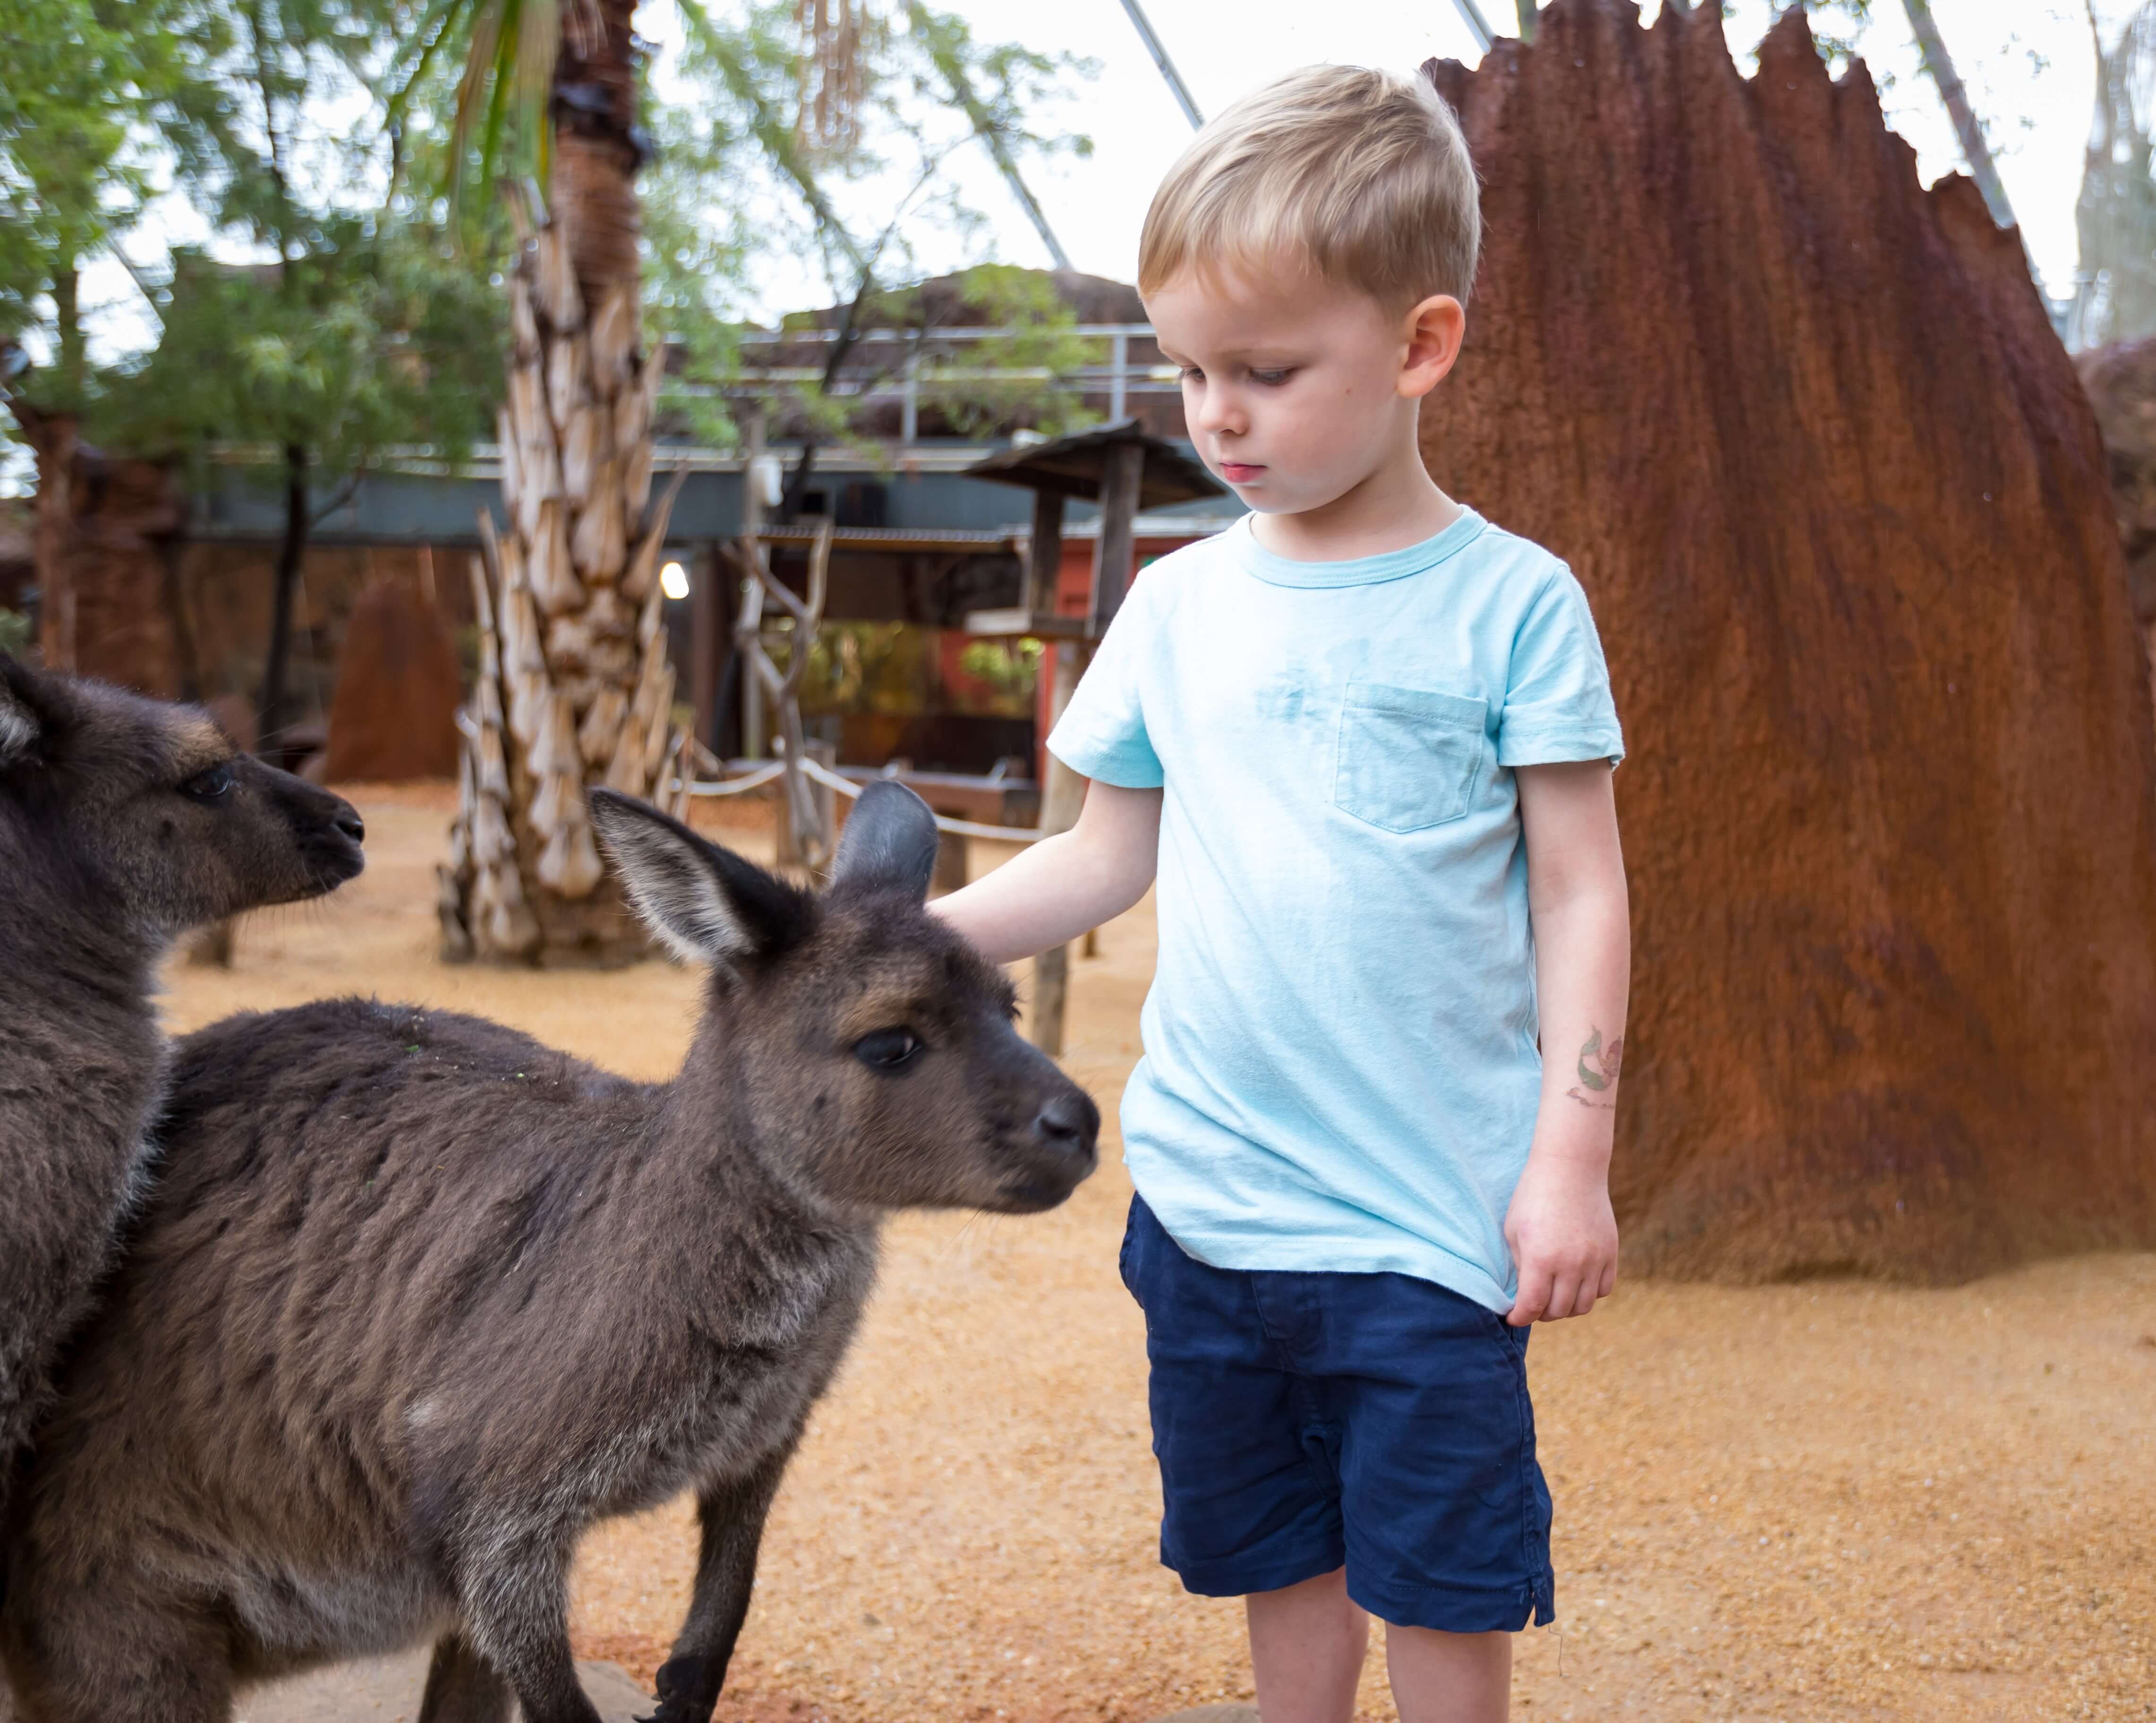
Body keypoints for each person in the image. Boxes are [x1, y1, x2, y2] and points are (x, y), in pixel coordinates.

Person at [932, 63, 1628, 1723]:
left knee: (1445, 1590)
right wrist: (887, 942)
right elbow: (1105, 855)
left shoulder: (1515, 606)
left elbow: (1582, 894)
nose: (1217, 415)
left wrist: (1571, 1163)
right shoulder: (1177, 610)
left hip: (1432, 1226)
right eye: (1188, 373)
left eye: (1265, 370)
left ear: (1420, 346)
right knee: (1277, 1568)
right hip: (1211, 1210)